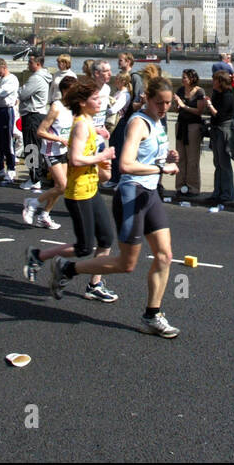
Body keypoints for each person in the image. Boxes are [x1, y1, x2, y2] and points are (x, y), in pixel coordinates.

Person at [46, 77, 181, 337]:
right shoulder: (138, 123)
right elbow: (126, 165)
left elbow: (151, 155)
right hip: (131, 194)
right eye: (159, 103)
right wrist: (161, 167)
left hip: (150, 193)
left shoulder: (157, 121)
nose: (165, 108)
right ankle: (68, 267)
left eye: (169, 103)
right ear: (147, 99)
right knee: (126, 263)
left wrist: (167, 157)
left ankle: (152, 315)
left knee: (165, 255)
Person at [24, 77, 118, 302]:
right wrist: (102, 156)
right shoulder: (80, 126)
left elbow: (89, 159)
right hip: (78, 194)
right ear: (83, 102)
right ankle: (38, 255)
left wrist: (103, 165)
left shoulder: (90, 125)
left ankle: (95, 285)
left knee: (105, 239)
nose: (100, 101)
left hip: (92, 188)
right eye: (95, 98)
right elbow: (75, 159)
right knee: (85, 248)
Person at [24, 73, 78, 231]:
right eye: (74, 91)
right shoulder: (56, 107)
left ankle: (44, 216)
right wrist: (59, 139)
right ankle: (32, 203)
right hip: (50, 151)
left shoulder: (72, 108)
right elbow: (40, 131)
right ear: (65, 91)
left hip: (62, 152)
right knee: (62, 186)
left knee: (59, 187)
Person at [201, 70, 234, 204]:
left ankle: (227, 193)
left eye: (215, 79)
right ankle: (218, 191)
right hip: (216, 129)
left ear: (220, 82)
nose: (212, 81)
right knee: (217, 163)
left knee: (224, 163)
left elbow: (220, 115)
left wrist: (209, 105)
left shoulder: (228, 95)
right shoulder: (217, 93)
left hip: (224, 129)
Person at [17, 55, 52, 190]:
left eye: (30, 62)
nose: (28, 64)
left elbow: (22, 93)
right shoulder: (45, 77)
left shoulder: (36, 78)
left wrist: (22, 89)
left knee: (31, 147)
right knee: (36, 147)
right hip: (39, 114)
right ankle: (37, 175)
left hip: (32, 115)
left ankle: (34, 178)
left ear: (37, 63)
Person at [173, 69, 206, 198]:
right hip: (181, 125)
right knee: (180, 157)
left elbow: (199, 111)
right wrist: (177, 105)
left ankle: (193, 187)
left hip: (193, 127)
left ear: (192, 79)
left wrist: (184, 105)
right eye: (182, 77)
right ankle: (180, 186)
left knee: (192, 158)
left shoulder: (199, 92)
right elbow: (177, 110)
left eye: (185, 77)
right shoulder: (180, 90)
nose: (182, 79)